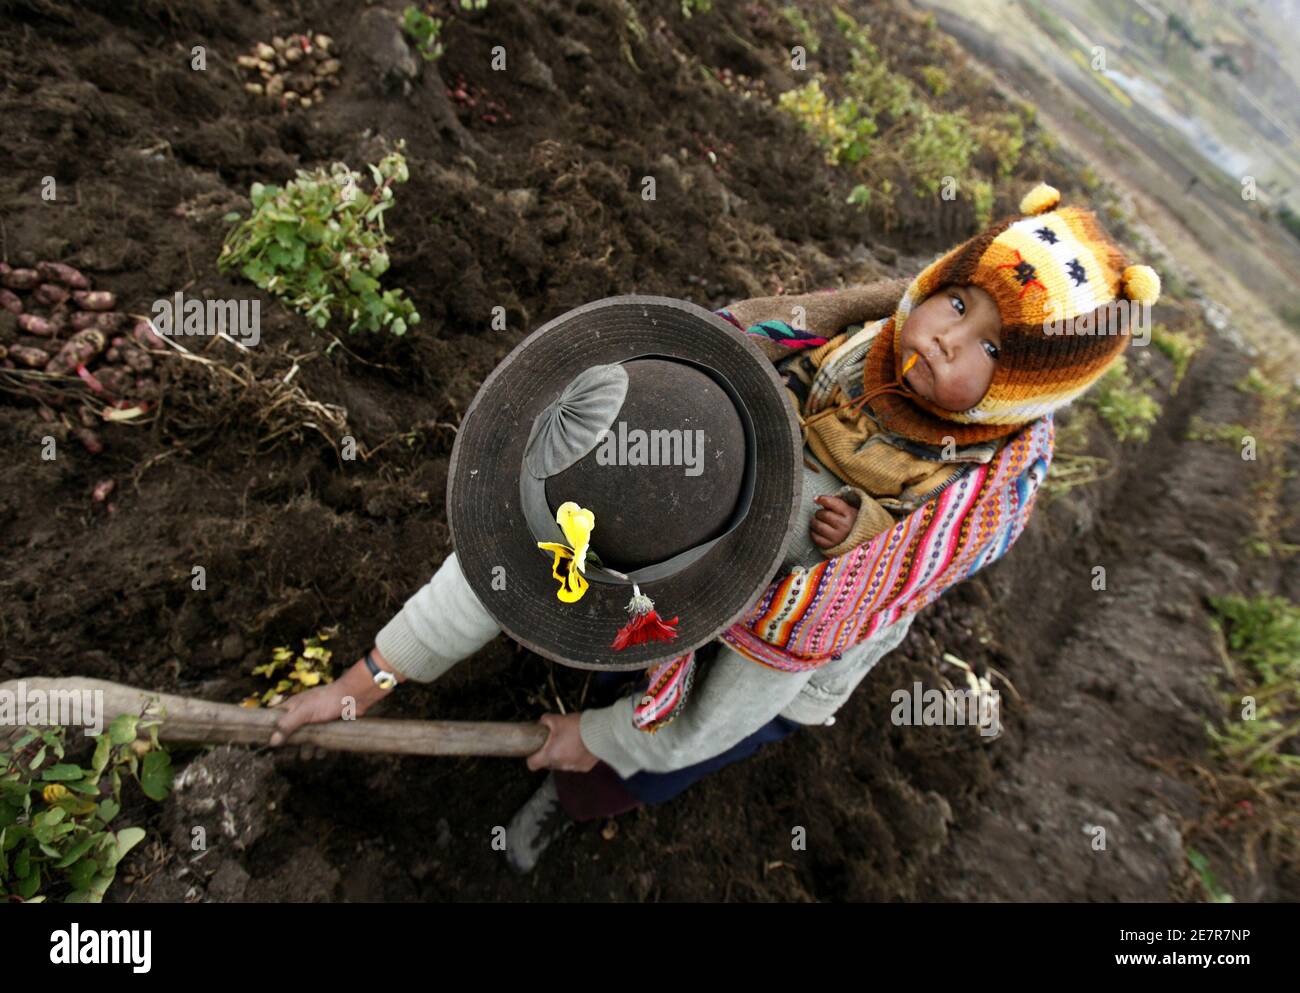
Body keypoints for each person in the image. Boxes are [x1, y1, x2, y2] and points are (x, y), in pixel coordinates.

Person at [270, 183, 1159, 873]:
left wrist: (601, 737)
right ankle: (594, 651)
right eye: (954, 305)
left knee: (683, 738)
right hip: (745, 490)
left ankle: (586, 796)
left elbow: (705, 720)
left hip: (807, 615)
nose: (948, 341)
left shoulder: (945, 508)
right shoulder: (786, 369)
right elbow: (479, 574)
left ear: (1014, 388)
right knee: (561, 590)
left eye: (993, 349)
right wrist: (360, 683)